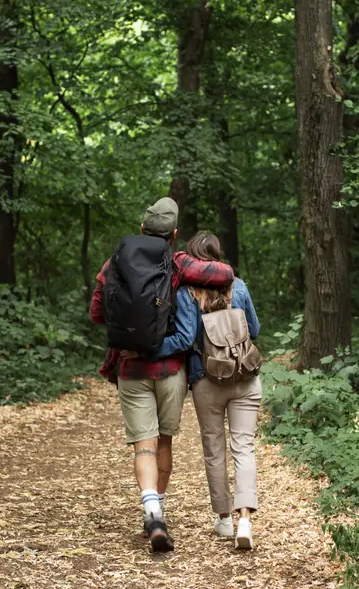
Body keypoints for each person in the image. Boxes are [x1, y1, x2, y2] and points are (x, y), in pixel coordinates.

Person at [89, 197, 234, 552]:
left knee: (144, 445)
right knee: (164, 441)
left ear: (141, 228)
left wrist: (131, 332)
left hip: (130, 366)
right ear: (174, 233)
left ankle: (152, 511)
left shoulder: (115, 263)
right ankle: (157, 510)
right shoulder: (178, 262)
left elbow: (96, 312)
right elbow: (224, 275)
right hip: (171, 369)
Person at [151, 230, 262, 550]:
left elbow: (185, 339)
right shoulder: (238, 286)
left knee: (214, 450)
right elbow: (253, 329)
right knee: (244, 448)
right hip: (245, 376)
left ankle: (224, 520)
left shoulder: (186, 292)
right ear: (217, 256)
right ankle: (245, 519)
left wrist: (152, 348)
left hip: (207, 380)